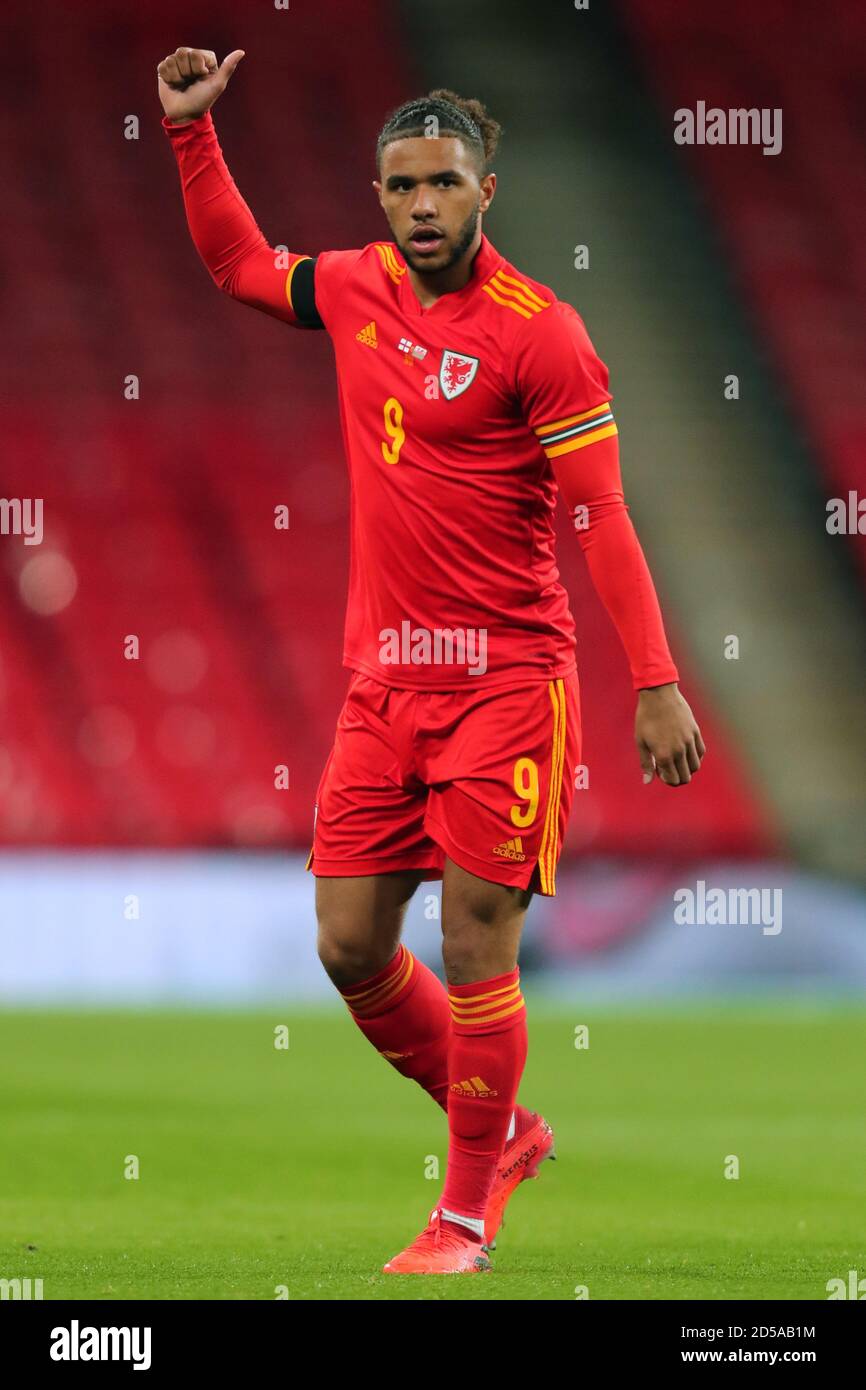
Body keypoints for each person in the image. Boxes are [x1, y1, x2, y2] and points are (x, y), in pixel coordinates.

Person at [159, 46, 705, 1275]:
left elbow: (603, 516)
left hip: (506, 683)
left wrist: (657, 677)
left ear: (485, 190)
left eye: (441, 185)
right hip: (383, 681)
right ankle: (501, 1132)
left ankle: (462, 1211)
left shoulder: (542, 336)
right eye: (399, 185)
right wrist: (190, 134)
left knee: (472, 948)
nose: (418, 207)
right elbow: (244, 268)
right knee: (349, 945)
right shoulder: (354, 287)